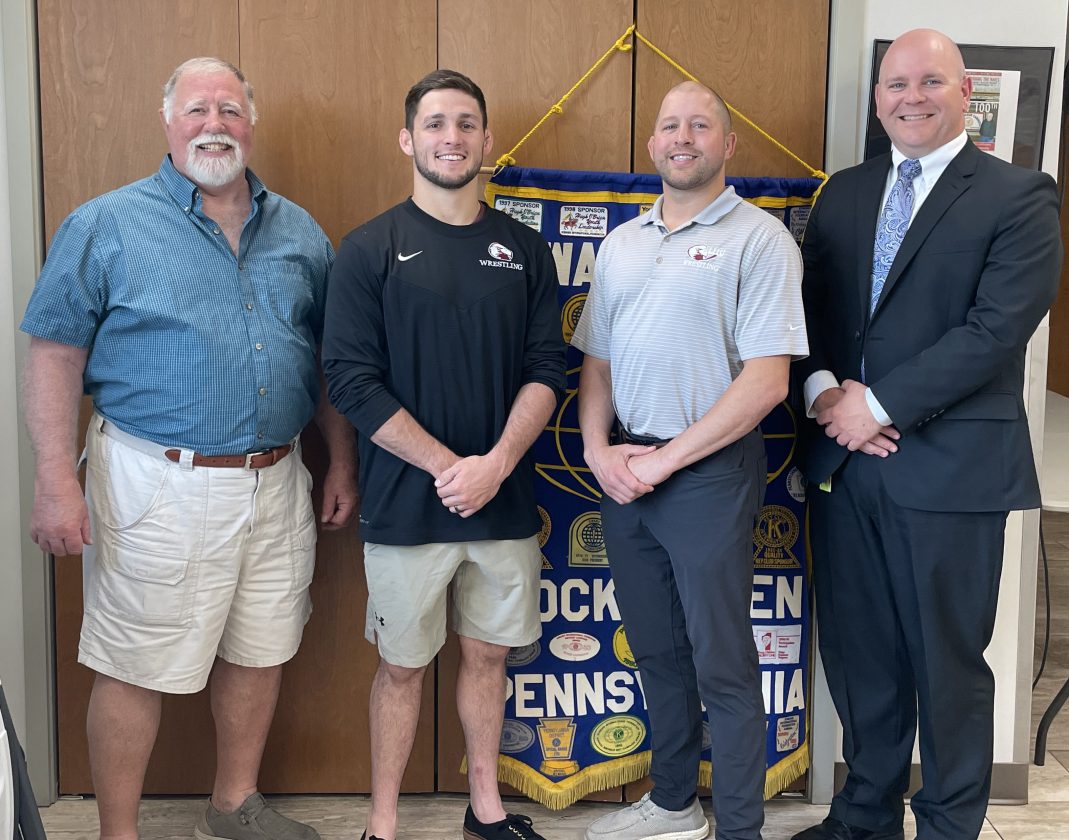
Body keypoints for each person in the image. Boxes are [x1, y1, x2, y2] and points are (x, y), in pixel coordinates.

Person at [21, 57, 357, 840]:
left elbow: (323, 362)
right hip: (152, 481)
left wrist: (339, 459)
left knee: (261, 644)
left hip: (276, 479)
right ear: (167, 122)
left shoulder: (300, 230)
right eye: (198, 109)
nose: (215, 124)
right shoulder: (105, 224)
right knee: (135, 660)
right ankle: (118, 832)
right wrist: (51, 482)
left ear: (252, 120)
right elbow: (52, 356)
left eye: (231, 109)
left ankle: (233, 808)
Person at [793, 29, 1062, 840]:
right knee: (860, 658)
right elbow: (808, 318)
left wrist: (873, 407)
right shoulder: (840, 192)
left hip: (951, 472)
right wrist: (821, 395)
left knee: (946, 667)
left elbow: (992, 332)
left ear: (962, 91)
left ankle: (947, 826)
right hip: (845, 467)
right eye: (894, 84)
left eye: (928, 82)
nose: (909, 97)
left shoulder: (1019, 196)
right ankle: (862, 819)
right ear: (875, 98)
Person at [321, 69, 566, 840]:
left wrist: (492, 465)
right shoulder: (367, 249)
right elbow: (349, 381)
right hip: (403, 506)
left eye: (465, 124)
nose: (450, 137)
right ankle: (383, 821)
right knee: (399, 668)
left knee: (488, 661)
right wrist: (443, 466)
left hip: (503, 503)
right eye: (434, 124)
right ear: (407, 139)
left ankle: (485, 809)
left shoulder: (524, 250)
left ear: (487, 141)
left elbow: (547, 368)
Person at [573, 81, 808, 840]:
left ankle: (738, 828)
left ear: (726, 143)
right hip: (625, 474)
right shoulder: (621, 243)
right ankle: (675, 806)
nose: (683, 137)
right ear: (651, 146)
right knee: (657, 652)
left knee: (722, 664)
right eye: (669, 126)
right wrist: (595, 450)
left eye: (699, 124)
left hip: (705, 475)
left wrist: (663, 460)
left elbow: (768, 381)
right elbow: (598, 363)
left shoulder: (759, 241)